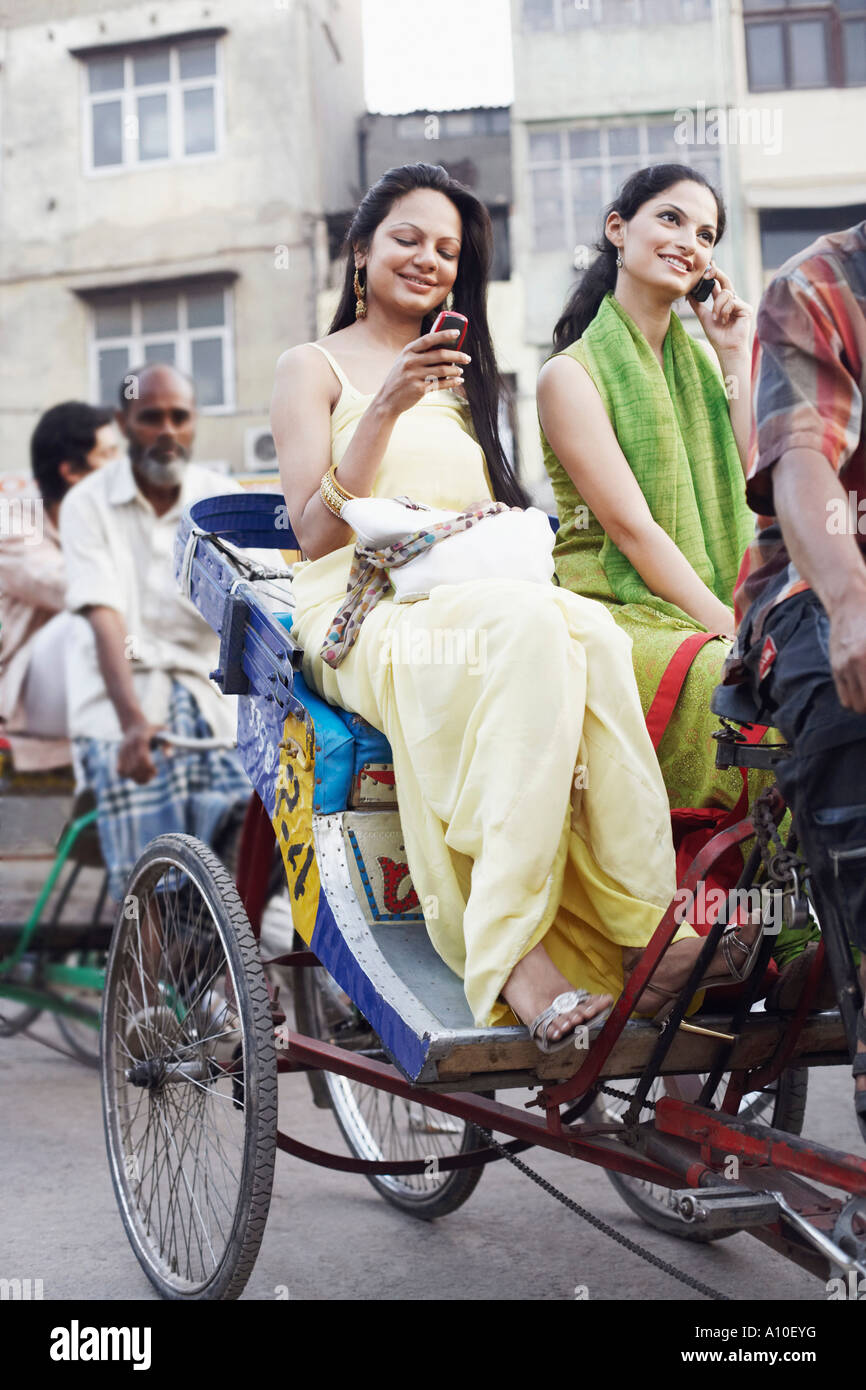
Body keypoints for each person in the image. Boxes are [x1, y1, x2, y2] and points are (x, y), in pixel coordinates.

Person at [270, 162, 762, 1048]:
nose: (428, 260)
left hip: (466, 596)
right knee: (536, 627)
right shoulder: (313, 367)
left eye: (448, 250)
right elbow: (313, 533)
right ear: (360, 252)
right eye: (408, 239)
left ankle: (649, 927)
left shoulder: (461, 380)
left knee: (593, 635)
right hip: (362, 612)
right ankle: (514, 959)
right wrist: (383, 406)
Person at [537, 164, 819, 981]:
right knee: (731, 682)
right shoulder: (571, 374)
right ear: (618, 229)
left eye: (706, 235)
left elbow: (755, 476)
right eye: (672, 220)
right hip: (618, 611)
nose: (690, 244)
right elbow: (631, 530)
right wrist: (735, 628)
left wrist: (734, 350)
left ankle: (804, 930)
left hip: (712, 601)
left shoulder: (702, 366)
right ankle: (761, 930)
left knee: (826, 682)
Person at [722, 220, 866, 1131]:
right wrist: (852, 599)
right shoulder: (817, 285)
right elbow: (802, 460)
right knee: (852, 713)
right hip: (816, 582)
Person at [58, 363, 252, 901]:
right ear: (123, 424)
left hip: (214, 707)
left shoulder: (221, 501)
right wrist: (132, 724)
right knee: (155, 879)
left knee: (254, 839)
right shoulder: (88, 503)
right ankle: (145, 980)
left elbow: (254, 612)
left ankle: (220, 978)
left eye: (179, 417)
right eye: (150, 418)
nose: (166, 430)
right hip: (120, 707)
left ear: (193, 425)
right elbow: (105, 619)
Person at [0, 401, 118, 770]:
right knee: (92, 615)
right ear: (71, 471)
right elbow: (67, 586)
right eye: (109, 454)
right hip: (29, 695)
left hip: (97, 688)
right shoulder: (14, 523)